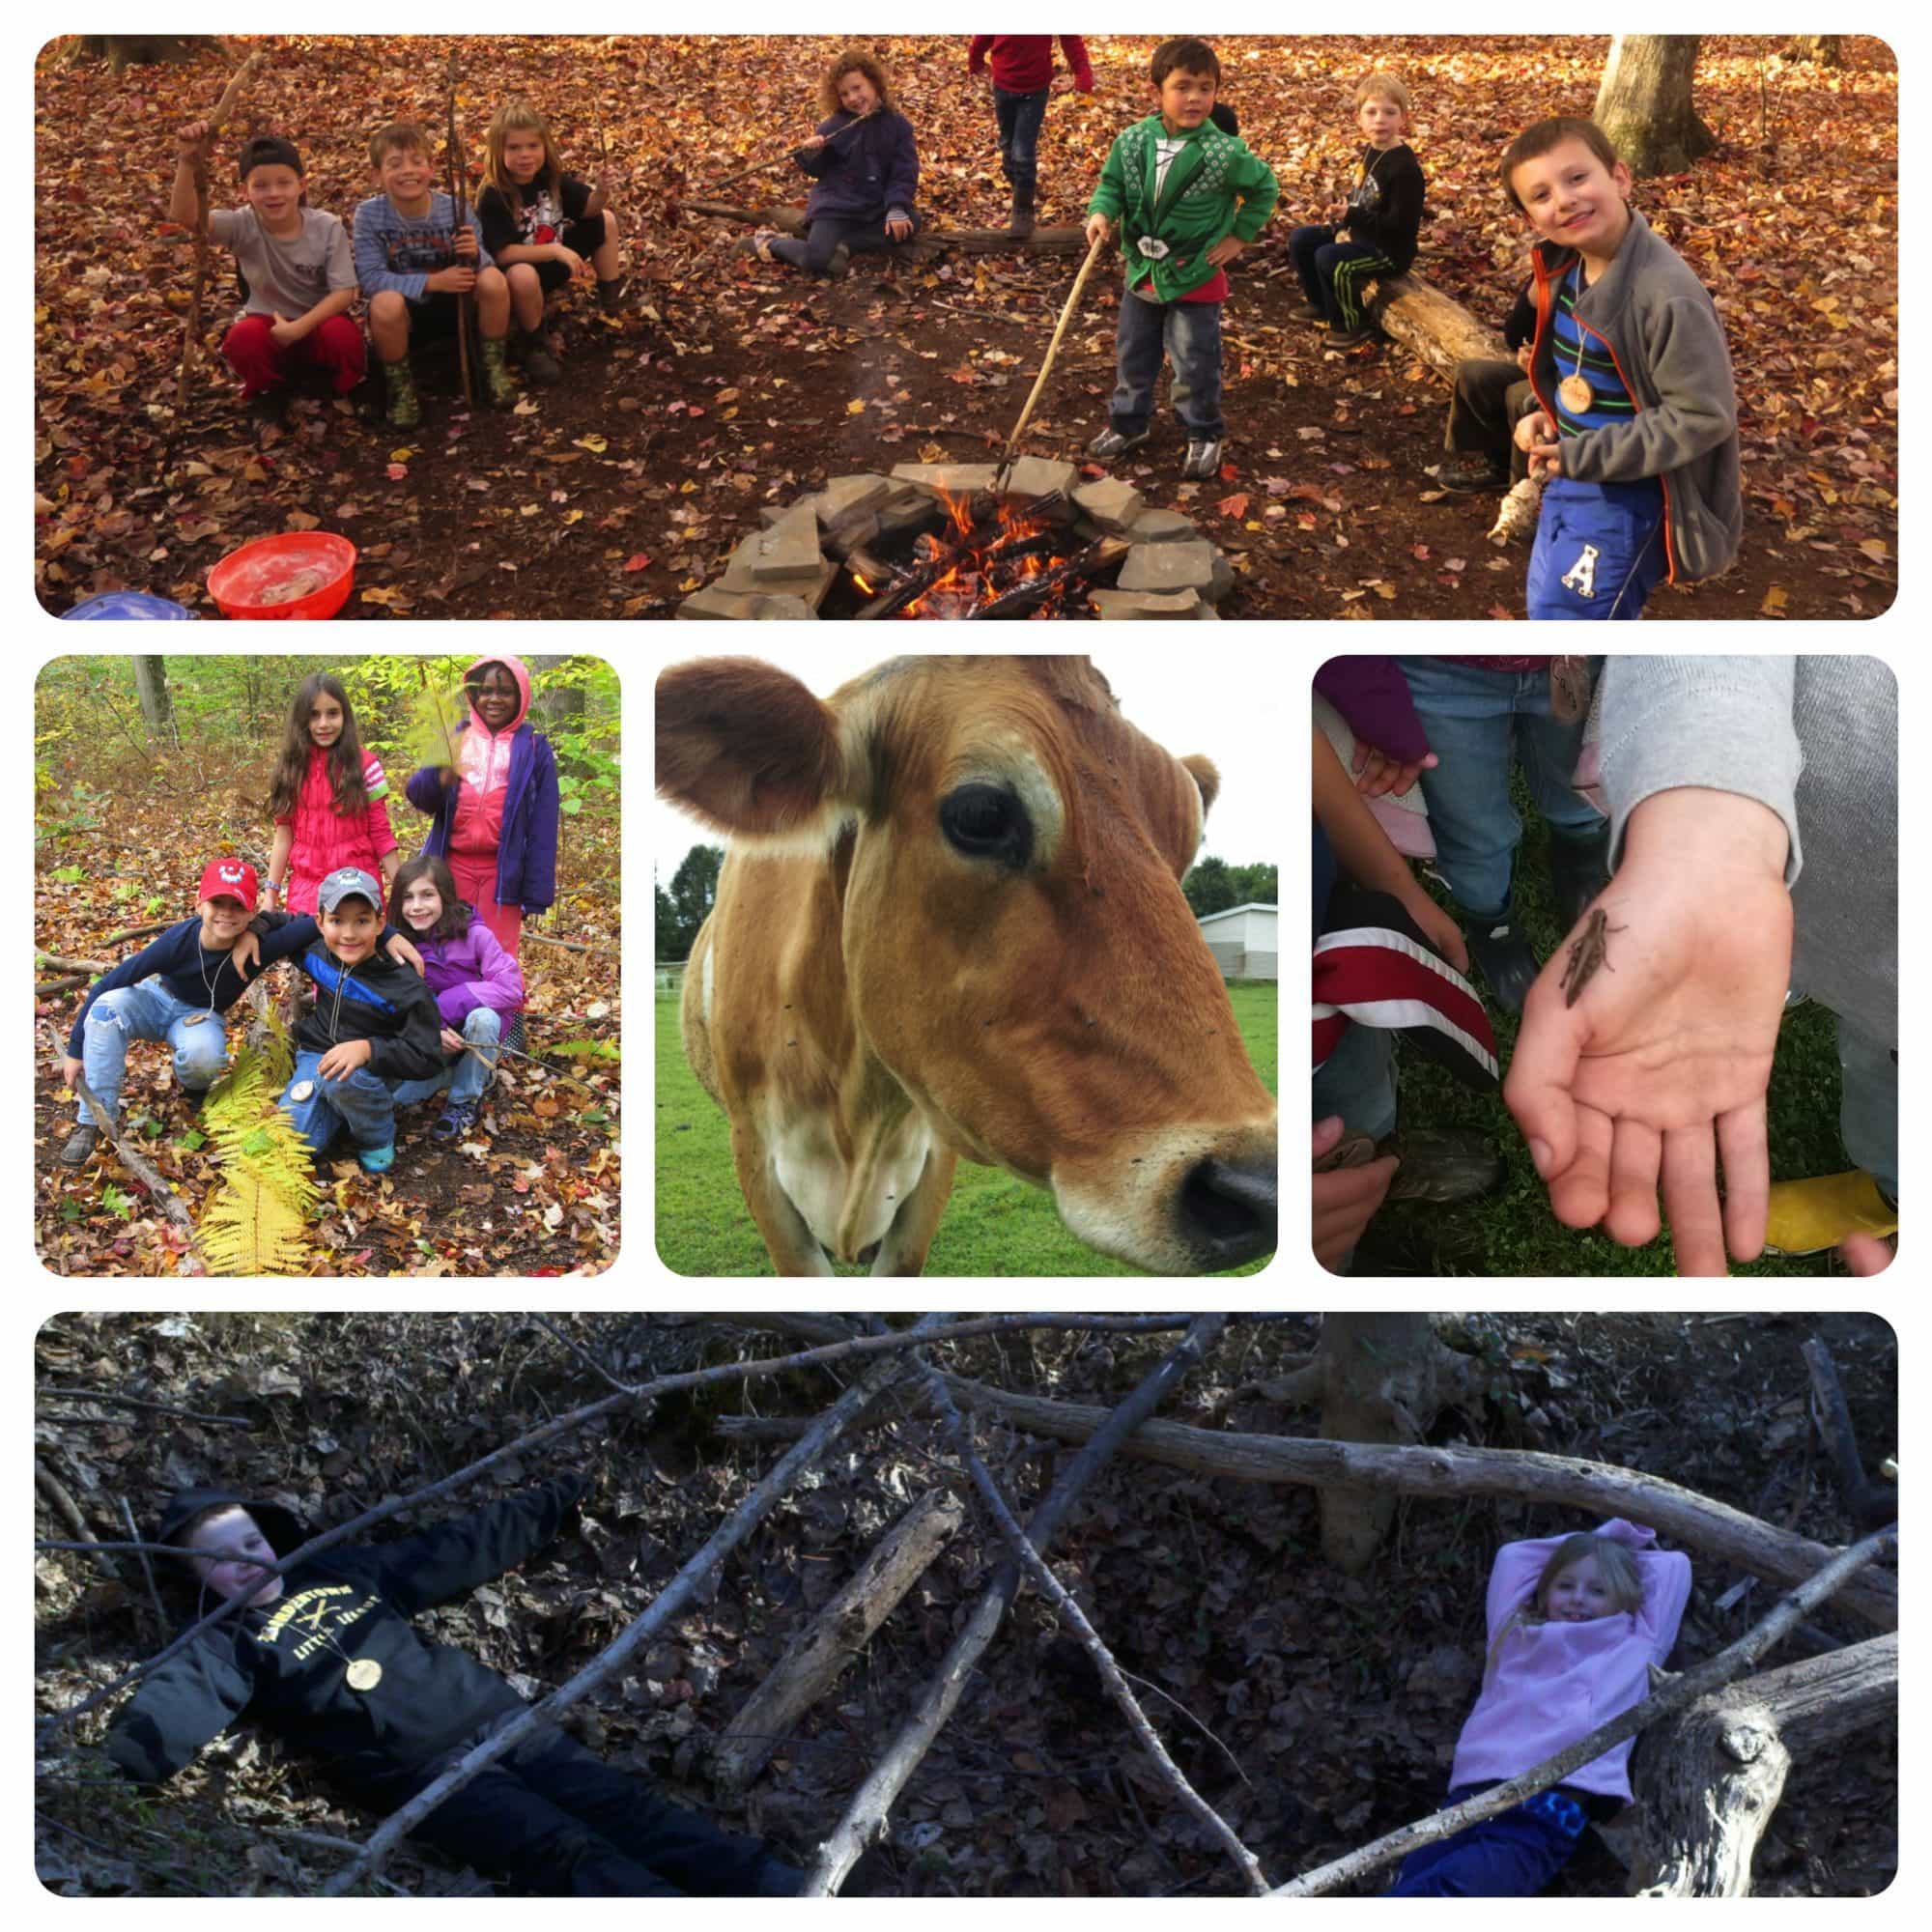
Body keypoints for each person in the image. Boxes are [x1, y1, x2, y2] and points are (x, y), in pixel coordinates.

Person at [106, 1480, 802, 1896]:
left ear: (270, 1539)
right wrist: (108, 1774)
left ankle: (788, 1895)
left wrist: (554, 1502)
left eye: (250, 1544)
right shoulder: (226, 1646)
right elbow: (173, 1707)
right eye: (218, 1560)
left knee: (631, 1811)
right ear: (197, 1578)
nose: (243, 1564)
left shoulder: (342, 1572)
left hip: (500, 1721)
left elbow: (450, 1551)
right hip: (429, 1778)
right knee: (570, 1859)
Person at [1506, 657, 1895, 1277]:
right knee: (1877, 1093)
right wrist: (1705, 818)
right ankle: (1885, 1182)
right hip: (1797, 906)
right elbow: (1713, 636)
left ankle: (1893, 1195)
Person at [1502, 116, 1741, 620]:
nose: (1564, 200)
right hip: (1573, 475)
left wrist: (1580, 453)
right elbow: (1590, 380)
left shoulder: (1666, 295)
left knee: (1573, 623)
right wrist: (1549, 414)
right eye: (1541, 195)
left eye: (1577, 178)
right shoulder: (1568, 272)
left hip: (1630, 499)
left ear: (1621, 178)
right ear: (1530, 218)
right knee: (1545, 604)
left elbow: (1701, 415)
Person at [1389, 1520, 1690, 1896]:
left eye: (1598, 1590)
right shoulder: (1513, 1633)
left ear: (1628, 1600)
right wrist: (1590, 1541)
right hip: (1469, 1798)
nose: (1578, 1598)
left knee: (1448, 1895)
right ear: (1543, 1591)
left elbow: (1674, 1567)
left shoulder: (1637, 1643)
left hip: (1546, 1808)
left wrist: (1616, 1541)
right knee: (1409, 1885)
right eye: (1565, 1586)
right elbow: (1513, 1556)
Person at [55, 861, 421, 1168]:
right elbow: (112, 982)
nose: (226, 915)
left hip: (198, 1016)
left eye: (237, 907)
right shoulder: (178, 941)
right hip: (154, 1000)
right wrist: (74, 1050)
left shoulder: (263, 946)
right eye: (218, 903)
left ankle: (194, 1090)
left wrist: (387, 933)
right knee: (107, 1010)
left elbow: (317, 921)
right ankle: (92, 1121)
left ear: (251, 912)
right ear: (200, 904)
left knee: (205, 1056)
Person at [1084, 36, 1278, 481]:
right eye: (1183, 86)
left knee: (1194, 361)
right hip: (1142, 271)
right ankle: (1129, 424)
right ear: (1157, 92)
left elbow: (1265, 189)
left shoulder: (1225, 152)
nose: (1195, 98)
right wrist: (1101, 213)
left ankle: (1203, 432)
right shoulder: (1132, 142)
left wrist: (1238, 238)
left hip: (1196, 275)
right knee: (1133, 354)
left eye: (1206, 88)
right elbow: (1111, 185)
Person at [1390, 656, 1609, 1013]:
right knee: (1472, 830)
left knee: (1578, 789)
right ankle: (1493, 927)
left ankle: (1581, 860)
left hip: (1575, 651)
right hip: (1441, 670)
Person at [167, 124, 364, 423]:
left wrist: (299, 328)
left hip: (319, 322)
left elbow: (344, 292)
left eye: (283, 183)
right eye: (260, 186)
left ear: (302, 185)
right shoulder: (241, 225)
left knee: (342, 336)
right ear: (244, 191)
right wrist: (186, 161)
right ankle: (269, 390)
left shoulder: (326, 226)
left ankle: (340, 387)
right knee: (242, 338)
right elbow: (186, 216)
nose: (273, 194)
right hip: (268, 326)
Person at [270, 867, 446, 1174]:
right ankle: (339, 1113)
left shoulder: (403, 983)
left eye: (362, 921)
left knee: (343, 1078)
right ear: (320, 923)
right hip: (317, 1056)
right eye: (337, 920)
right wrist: (248, 936)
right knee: (294, 1144)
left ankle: (375, 1136)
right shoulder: (315, 951)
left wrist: (368, 1049)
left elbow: (426, 1053)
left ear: (380, 923)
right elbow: (273, 925)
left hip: (374, 1069)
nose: (349, 934)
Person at [354, 120, 516, 428]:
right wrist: (433, 281)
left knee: (494, 280)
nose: (408, 171)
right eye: (395, 164)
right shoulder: (369, 215)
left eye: (417, 161)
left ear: (431, 168)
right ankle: (401, 389)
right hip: (406, 312)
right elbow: (371, 278)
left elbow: (485, 265)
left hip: (455, 306)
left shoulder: (455, 208)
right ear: (377, 175)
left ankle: (492, 366)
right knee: (384, 303)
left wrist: (474, 254)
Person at [404, 655, 559, 972]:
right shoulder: (456, 739)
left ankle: (502, 1021)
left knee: (497, 955)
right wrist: (440, 775)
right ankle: (447, 1017)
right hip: (451, 869)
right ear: (473, 695)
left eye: (505, 692)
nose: (494, 699)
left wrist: (535, 893)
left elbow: (544, 825)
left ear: (521, 697)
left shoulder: (534, 748)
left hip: (503, 875)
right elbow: (419, 796)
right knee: (446, 947)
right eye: (486, 690)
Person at [475, 99, 625, 387]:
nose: (525, 155)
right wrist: (556, 249)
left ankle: (611, 297)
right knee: (522, 273)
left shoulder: (549, 178)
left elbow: (588, 210)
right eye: (514, 148)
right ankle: (534, 342)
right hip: (520, 277)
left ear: (545, 147)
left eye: (533, 146)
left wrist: (602, 191)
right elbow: (502, 254)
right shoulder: (494, 194)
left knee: (605, 219)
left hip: (555, 260)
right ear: (498, 151)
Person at [736, 49, 922, 278]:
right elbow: (817, 171)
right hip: (837, 206)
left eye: (857, 88)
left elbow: (904, 172)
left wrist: (896, 206)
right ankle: (769, 243)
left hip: (874, 206)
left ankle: (844, 245)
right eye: (844, 94)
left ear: (873, 83)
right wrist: (812, 152)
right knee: (816, 258)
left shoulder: (897, 124)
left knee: (911, 223)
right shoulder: (833, 127)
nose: (852, 98)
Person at [385, 855, 525, 1143]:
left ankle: (463, 1100)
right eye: (408, 898)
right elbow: (398, 1004)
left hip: (478, 1034)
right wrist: (432, 1027)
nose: (417, 906)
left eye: (427, 895)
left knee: (483, 1018)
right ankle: (461, 1074)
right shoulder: (400, 945)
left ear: (445, 896)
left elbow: (511, 988)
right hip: (433, 1039)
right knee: (399, 1099)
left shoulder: (475, 935)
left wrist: (450, 1002)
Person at [1287, 72, 1425, 351]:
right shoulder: (1373, 150)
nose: (1379, 119)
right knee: (1302, 239)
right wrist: (1343, 223)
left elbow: (1400, 226)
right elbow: (1362, 195)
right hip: (1362, 233)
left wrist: (1351, 218)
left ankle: (1350, 324)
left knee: (1330, 258)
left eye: (1389, 112)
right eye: (1371, 112)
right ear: (1358, 119)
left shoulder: (1404, 168)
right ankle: (1321, 304)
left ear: (1403, 119)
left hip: (1388, 250)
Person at [263, 672, 402, 919]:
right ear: (301, 719)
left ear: (345, 716)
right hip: (306, 894)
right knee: (312, 956)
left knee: (356, 952)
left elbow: (381, 835)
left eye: (332, 713)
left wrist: (403, 892)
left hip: (358, 889)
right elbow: (283, 837)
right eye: (314, 715)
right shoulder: (291, 768)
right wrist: (270, 897)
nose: (323, 724)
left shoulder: (365, 766)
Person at [966, 35, 1094, 237]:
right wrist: (975, 60)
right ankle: (1020, 184)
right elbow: (984, 35)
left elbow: (1070, 38)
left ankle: (1023, 210)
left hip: (1035, 90)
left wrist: (1082, 73)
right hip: (1003, 85)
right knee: (1007, 145)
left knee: (1022, 152)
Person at [1434, 280, 1537, 492]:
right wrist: (1535, 292)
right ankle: (1498, 464)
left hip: (1579, 386)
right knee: (1474, 375)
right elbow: (1515, 336)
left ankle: (1526, 490)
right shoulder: (1556, 268)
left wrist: (1548, 360)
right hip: (1544, 371)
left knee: (1519, 396)